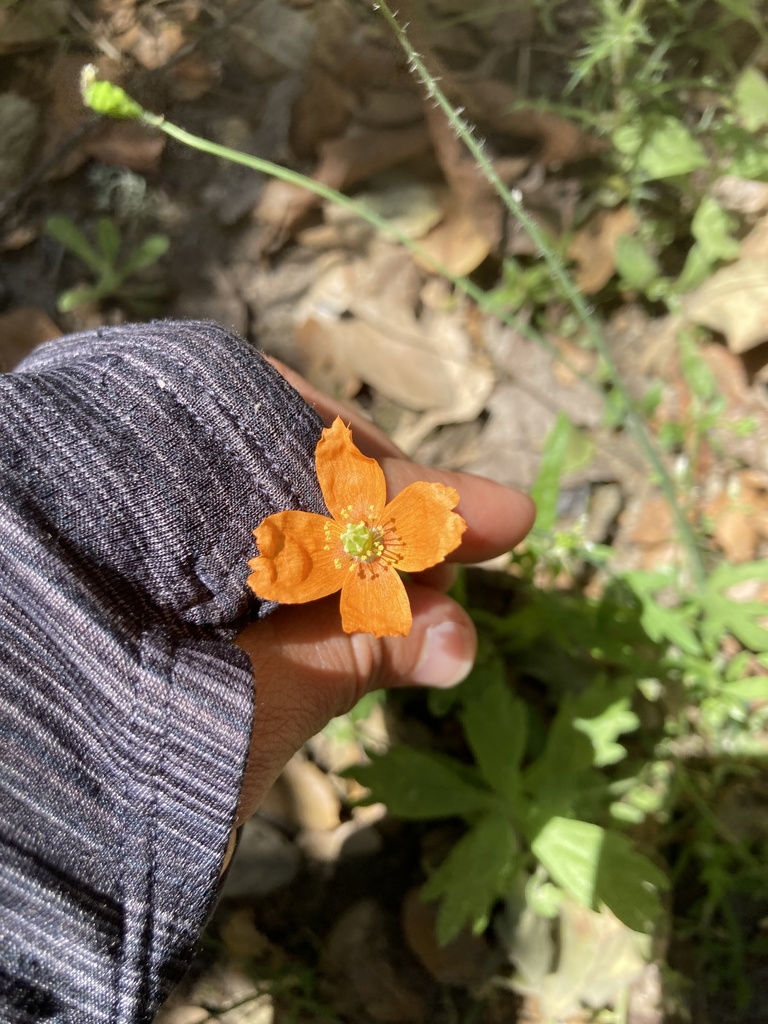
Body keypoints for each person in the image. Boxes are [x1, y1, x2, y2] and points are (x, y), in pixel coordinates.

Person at [0, 319, 534, 1023]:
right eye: (358, 534)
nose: (362, 534)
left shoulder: (389, 533)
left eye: (365, 535)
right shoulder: (328, 539)